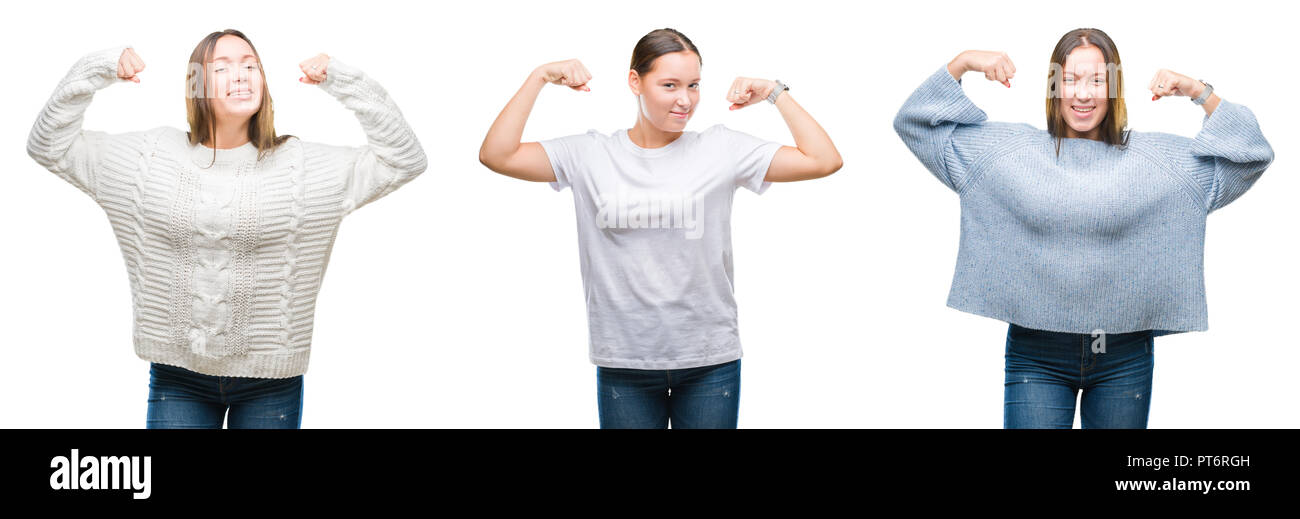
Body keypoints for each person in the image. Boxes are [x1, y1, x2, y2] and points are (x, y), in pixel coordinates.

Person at [26, 29, 428, 428]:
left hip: (272, 383)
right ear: (196, 85)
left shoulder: (305, 168)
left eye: (251, 65)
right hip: (177, 377)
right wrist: (95, 68)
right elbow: (49, 145)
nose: (241, 75)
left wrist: (346, 81)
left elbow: (405, 160)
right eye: (222, 68)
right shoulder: (147, 161)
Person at [893, 28, 1273, 428]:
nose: (1083, 94)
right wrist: (964, 61)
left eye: (1097, 80)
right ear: (1053, 87)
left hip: (1123, 354)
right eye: (1070, 80)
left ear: (1114, 89)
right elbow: (914, 122)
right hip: (1036, 352)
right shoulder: (1008, 153)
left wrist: (1199, 90)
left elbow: (1250, 156)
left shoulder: (1158, 162)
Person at [479, 28, 842, 428]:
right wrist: (539, 78)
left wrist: (776, 92)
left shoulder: (722, 148)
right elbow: (497, 154)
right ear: (635, 81)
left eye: (693, 85)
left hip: (709, 359)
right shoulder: (590, 154)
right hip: (625, 359)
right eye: (669, 85)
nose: (685, 99)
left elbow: (823, 160)